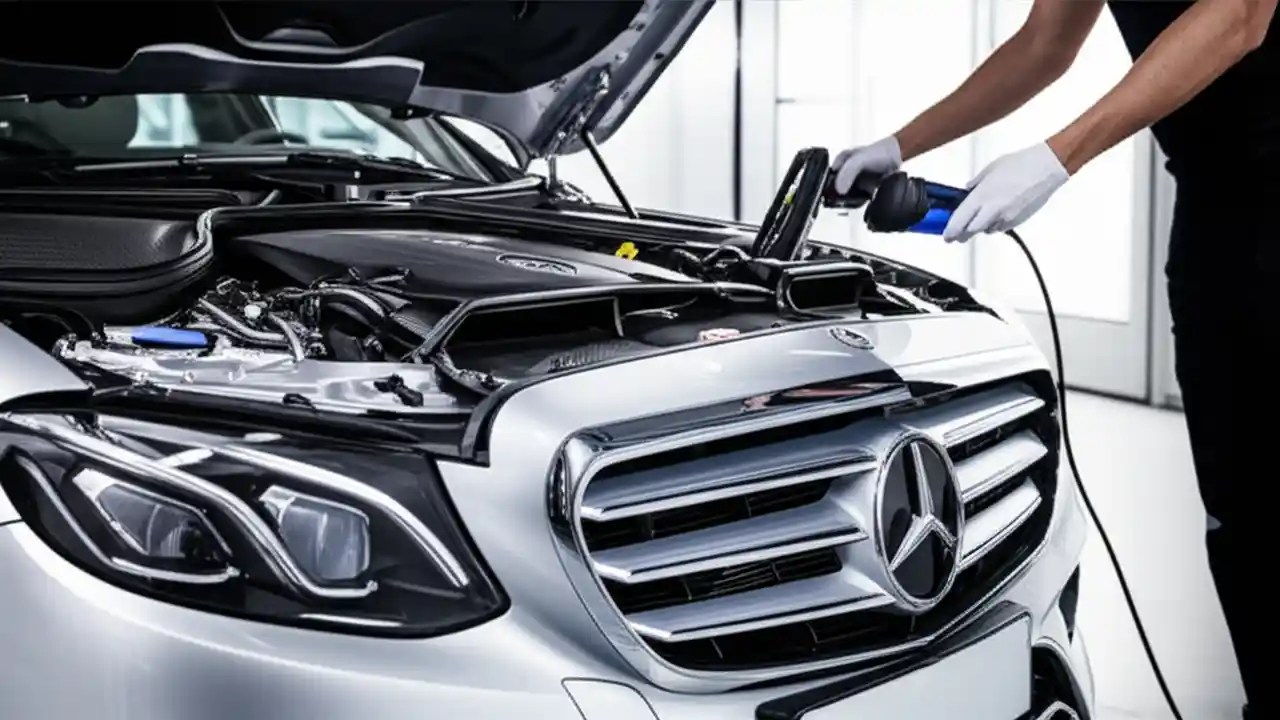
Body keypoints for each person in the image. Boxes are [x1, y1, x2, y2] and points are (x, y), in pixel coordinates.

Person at [833, 1, 1276, 718]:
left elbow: (1241, 17)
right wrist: (901, 144)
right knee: (1244, 515)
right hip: (1215, 210)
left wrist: (1057, 155)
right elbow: (1045, 42)